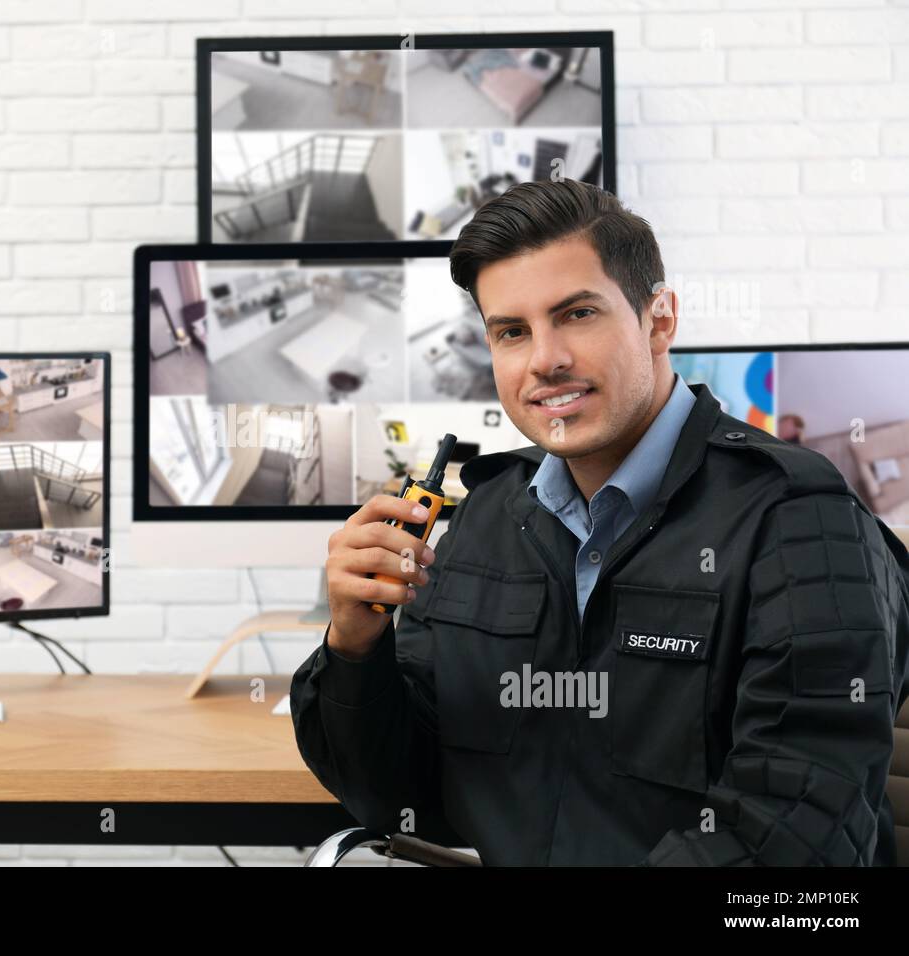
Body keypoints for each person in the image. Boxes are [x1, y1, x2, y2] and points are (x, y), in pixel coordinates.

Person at [290, 178, 909, 865]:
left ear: (659, 320)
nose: (544, 359)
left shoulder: (802, 520)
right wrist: (353, 648)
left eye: (577, 314)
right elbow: (397, 795)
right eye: (512, 332)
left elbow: (798, 836)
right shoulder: (486, 514)